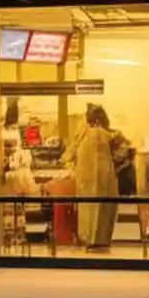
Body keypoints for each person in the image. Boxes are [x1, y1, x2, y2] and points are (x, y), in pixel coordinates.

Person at [63, 103, 118, 249]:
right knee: (103, 211)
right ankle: (100, 239)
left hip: (85, 182)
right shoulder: (109, 135)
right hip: (106, 180)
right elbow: (123, 154)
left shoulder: (82, 134)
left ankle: (87, 238)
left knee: (87, 209)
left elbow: (67, 156)